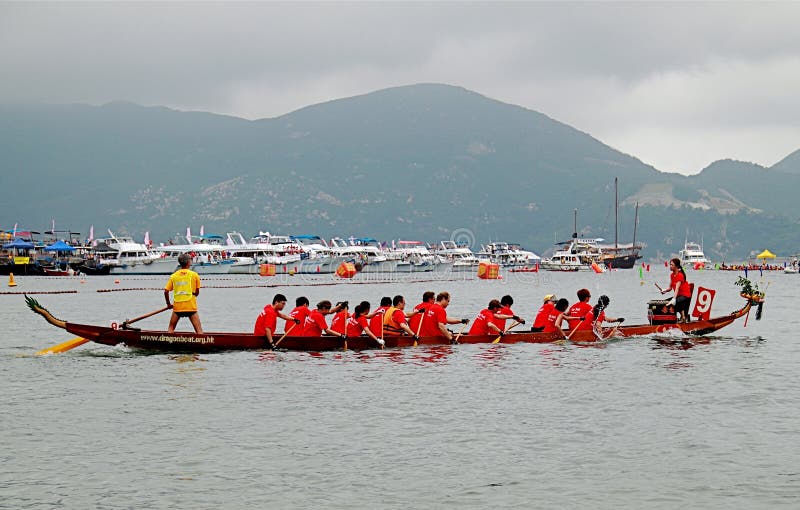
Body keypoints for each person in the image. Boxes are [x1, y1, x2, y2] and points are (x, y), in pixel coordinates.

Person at [164, 253, 202, 333]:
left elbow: (166, 291)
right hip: (190, 306)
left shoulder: (174, 276)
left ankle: (168, 341)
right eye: (191, 259)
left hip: (178, 307)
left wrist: (168, 304)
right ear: (189, 262)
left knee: (171, 328)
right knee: (199, 330)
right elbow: (197, 293)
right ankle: (202, 342)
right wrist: (194, 294)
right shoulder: (194, 275)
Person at [661, 257, 692, 322]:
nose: (670, 266)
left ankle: (683, 317)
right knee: (665, 302)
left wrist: (674, 299)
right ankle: (672, 319)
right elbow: (670, 288)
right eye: (670, 264)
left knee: (674, 302)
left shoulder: (680, 275)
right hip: (678, 296)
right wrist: (665, 290)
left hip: (685, 295)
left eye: (672, 265)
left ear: (676, 266)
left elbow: (677, 288)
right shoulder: (672, 275)